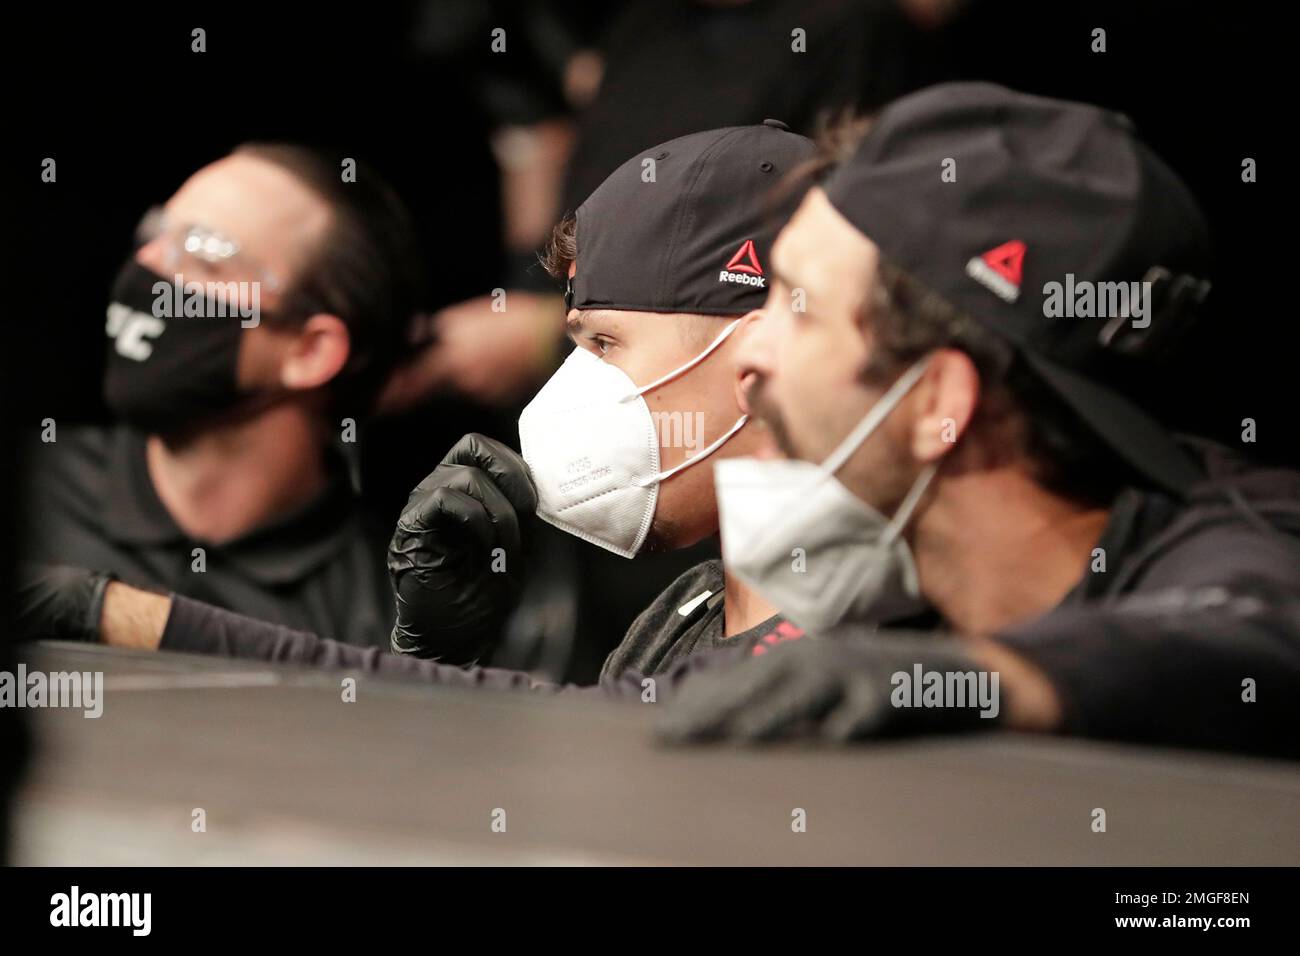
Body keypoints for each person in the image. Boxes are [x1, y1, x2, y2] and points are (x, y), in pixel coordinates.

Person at [18, 123, 820, 681]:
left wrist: (112, 613)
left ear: (761, 353)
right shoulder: (682, 615)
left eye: (601, 343)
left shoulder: (869, 651)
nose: (153, 270)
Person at [657, 83, 1300, 758]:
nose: (751, 352)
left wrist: (981, 682)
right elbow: (641, 715)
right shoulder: (897, 594)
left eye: (801, 306)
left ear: (938, 401)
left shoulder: (1245, 553)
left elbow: (1255, 647)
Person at [19, 144, 424, 643]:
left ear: (310, 350)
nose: (149, 268)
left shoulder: (387, 616)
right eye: (155, 234)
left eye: (204, 254)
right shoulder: (26, 497)